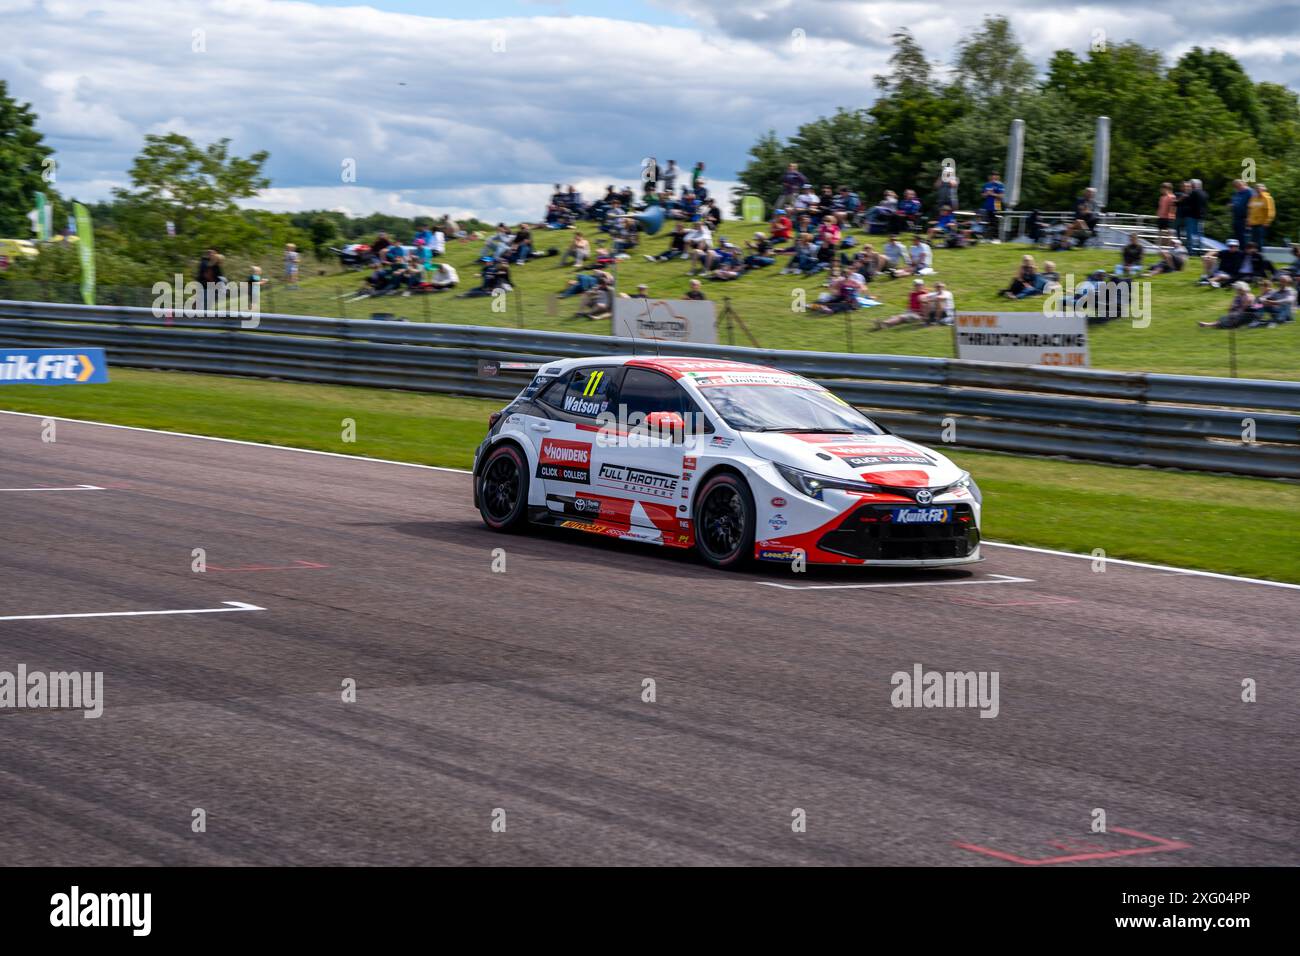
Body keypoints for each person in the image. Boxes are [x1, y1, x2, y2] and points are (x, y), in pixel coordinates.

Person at [1183, 179, 1208, 255]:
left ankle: (1191, 251)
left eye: (1191, 184)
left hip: (1192, 216)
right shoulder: (1205, 193)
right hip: (1201, 217)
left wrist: (1186, 195)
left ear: (1194, 185)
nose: (1190, 186)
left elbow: (1186, 202)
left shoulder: (1192, 193)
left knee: (1190, 235)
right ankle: (1200, 250)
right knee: (1200, 235)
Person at [1247, 184, 1275, 249]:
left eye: (1259, 189)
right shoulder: (1253, 198)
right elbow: (1250, 210)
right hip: (1253, 223)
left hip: (1262, 224)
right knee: (1252, 241)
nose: (1257, 190)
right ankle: (1253, 253)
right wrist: (1248, 220)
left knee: (1259, 241)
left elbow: (1270, 211)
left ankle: (1259, 253)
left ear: (1263, 189)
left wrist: (1267, 221)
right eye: (1256, 189)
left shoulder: (1267, 198)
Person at [980, 172, 1004, 242]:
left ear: (998, 177)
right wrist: (986, 193)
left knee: (995, 223)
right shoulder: (987, 184)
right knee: (986, 222)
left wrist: (992, 194)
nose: (994, 177)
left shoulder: (1000, 185)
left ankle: (996, 238)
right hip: (987, 206)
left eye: (995, 176)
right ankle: (986, 238)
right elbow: (982, 195)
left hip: (996, 205)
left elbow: (1001, 196)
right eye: (992, 176)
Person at [1230, 179, 1255, 245]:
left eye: (1238, 187)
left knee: (1244, 238)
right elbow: (1234, 201)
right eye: (1236, 187)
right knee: (1237, 237)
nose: (1237, 189)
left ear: (1242, 184)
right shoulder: (1237, 192)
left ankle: (1244, 250)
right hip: (1236, 218)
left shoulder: (1250, 192)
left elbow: (1253, 206)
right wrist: (1232, 205)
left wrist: (1249, 218)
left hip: (1245, 219)